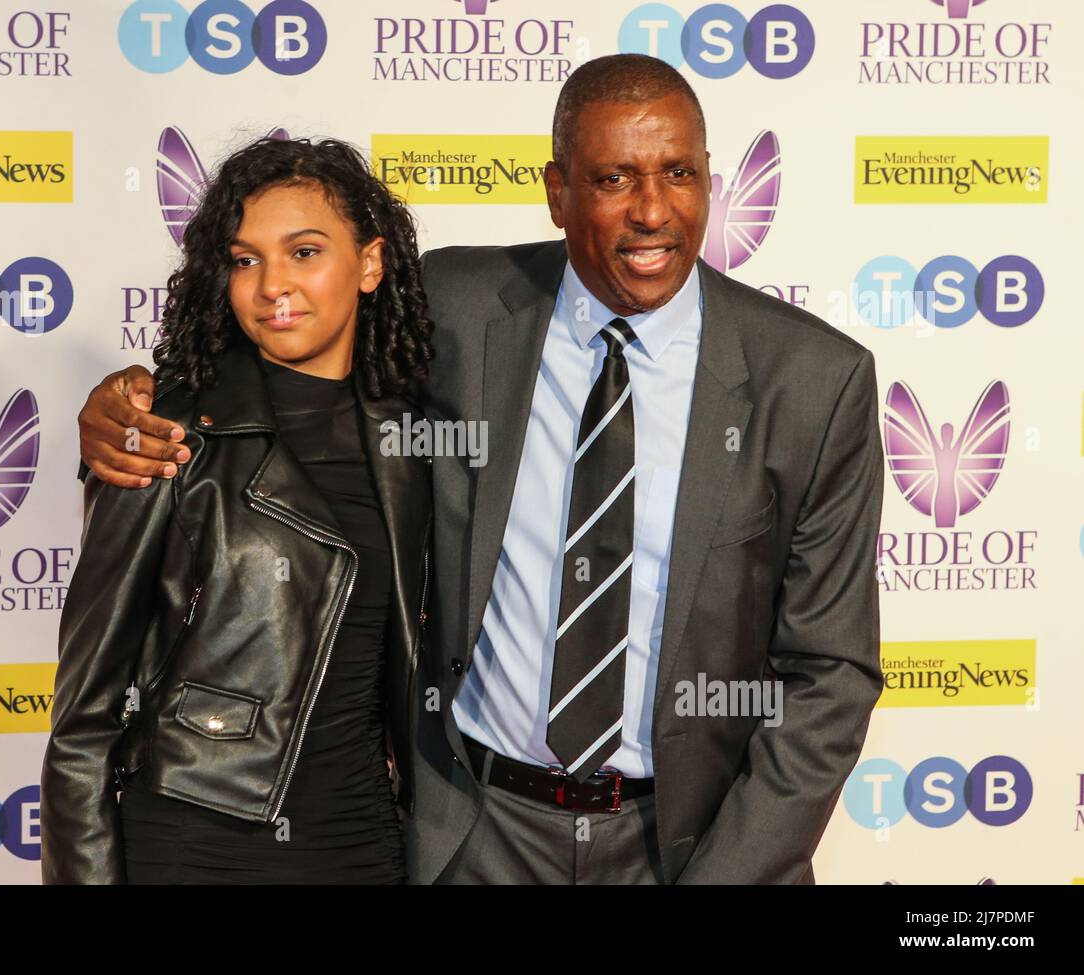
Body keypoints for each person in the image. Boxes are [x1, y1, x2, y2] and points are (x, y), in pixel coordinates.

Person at [75, 54, 885, 884]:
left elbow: (830, 673)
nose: (652, 210)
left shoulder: (815, 382)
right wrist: (134, 406)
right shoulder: (456, 305)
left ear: (710, 179)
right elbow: (289, 366)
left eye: (679, 173)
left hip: (687, 845)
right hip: (474, 835)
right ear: (558, 191)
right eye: (614, 178)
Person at [41, 135, 435, 884]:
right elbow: (82, 723)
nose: (271, 284)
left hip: (363, 845)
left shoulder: (413, 437)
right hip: (196, 847)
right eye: (245, 259)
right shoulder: (166, 435)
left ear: (371, 264)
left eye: (305, 252)